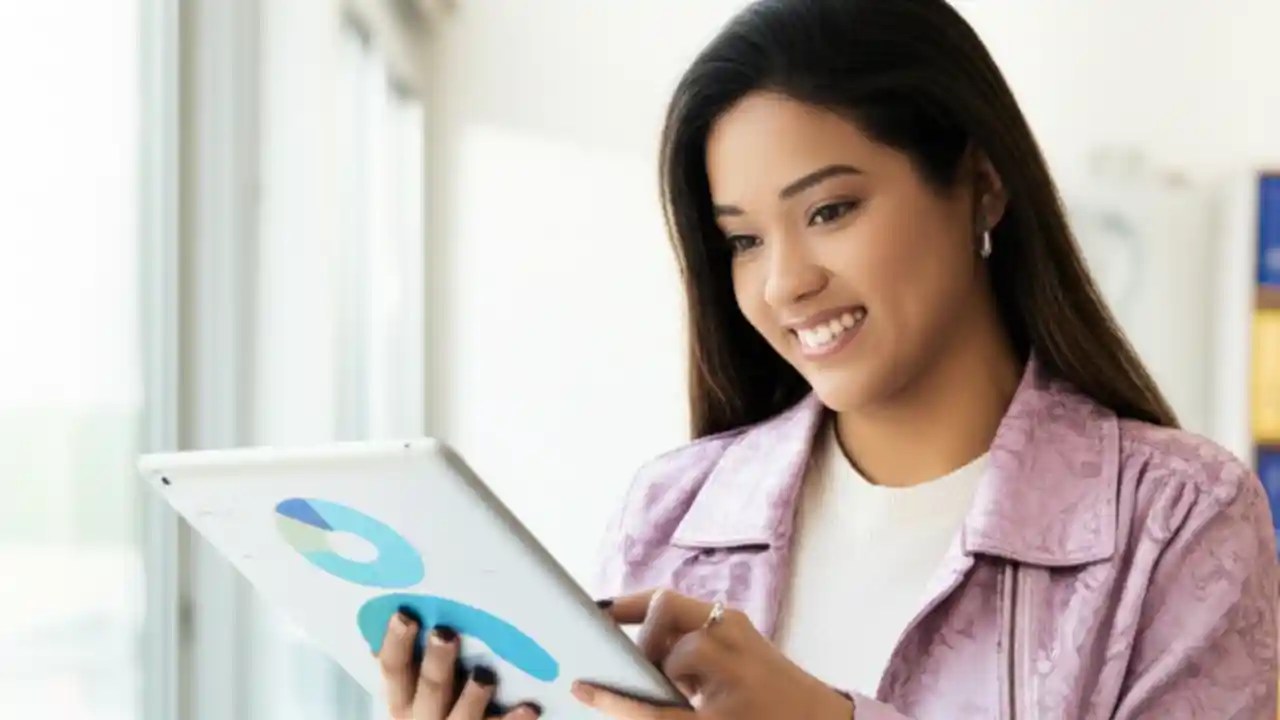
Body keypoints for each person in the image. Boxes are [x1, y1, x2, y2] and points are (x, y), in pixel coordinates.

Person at [375, 0, 1280, 717]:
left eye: (830, 211)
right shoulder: (669, 518)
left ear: (982, 183)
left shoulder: (1179, 520)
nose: (785, 284)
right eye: (743, 241)